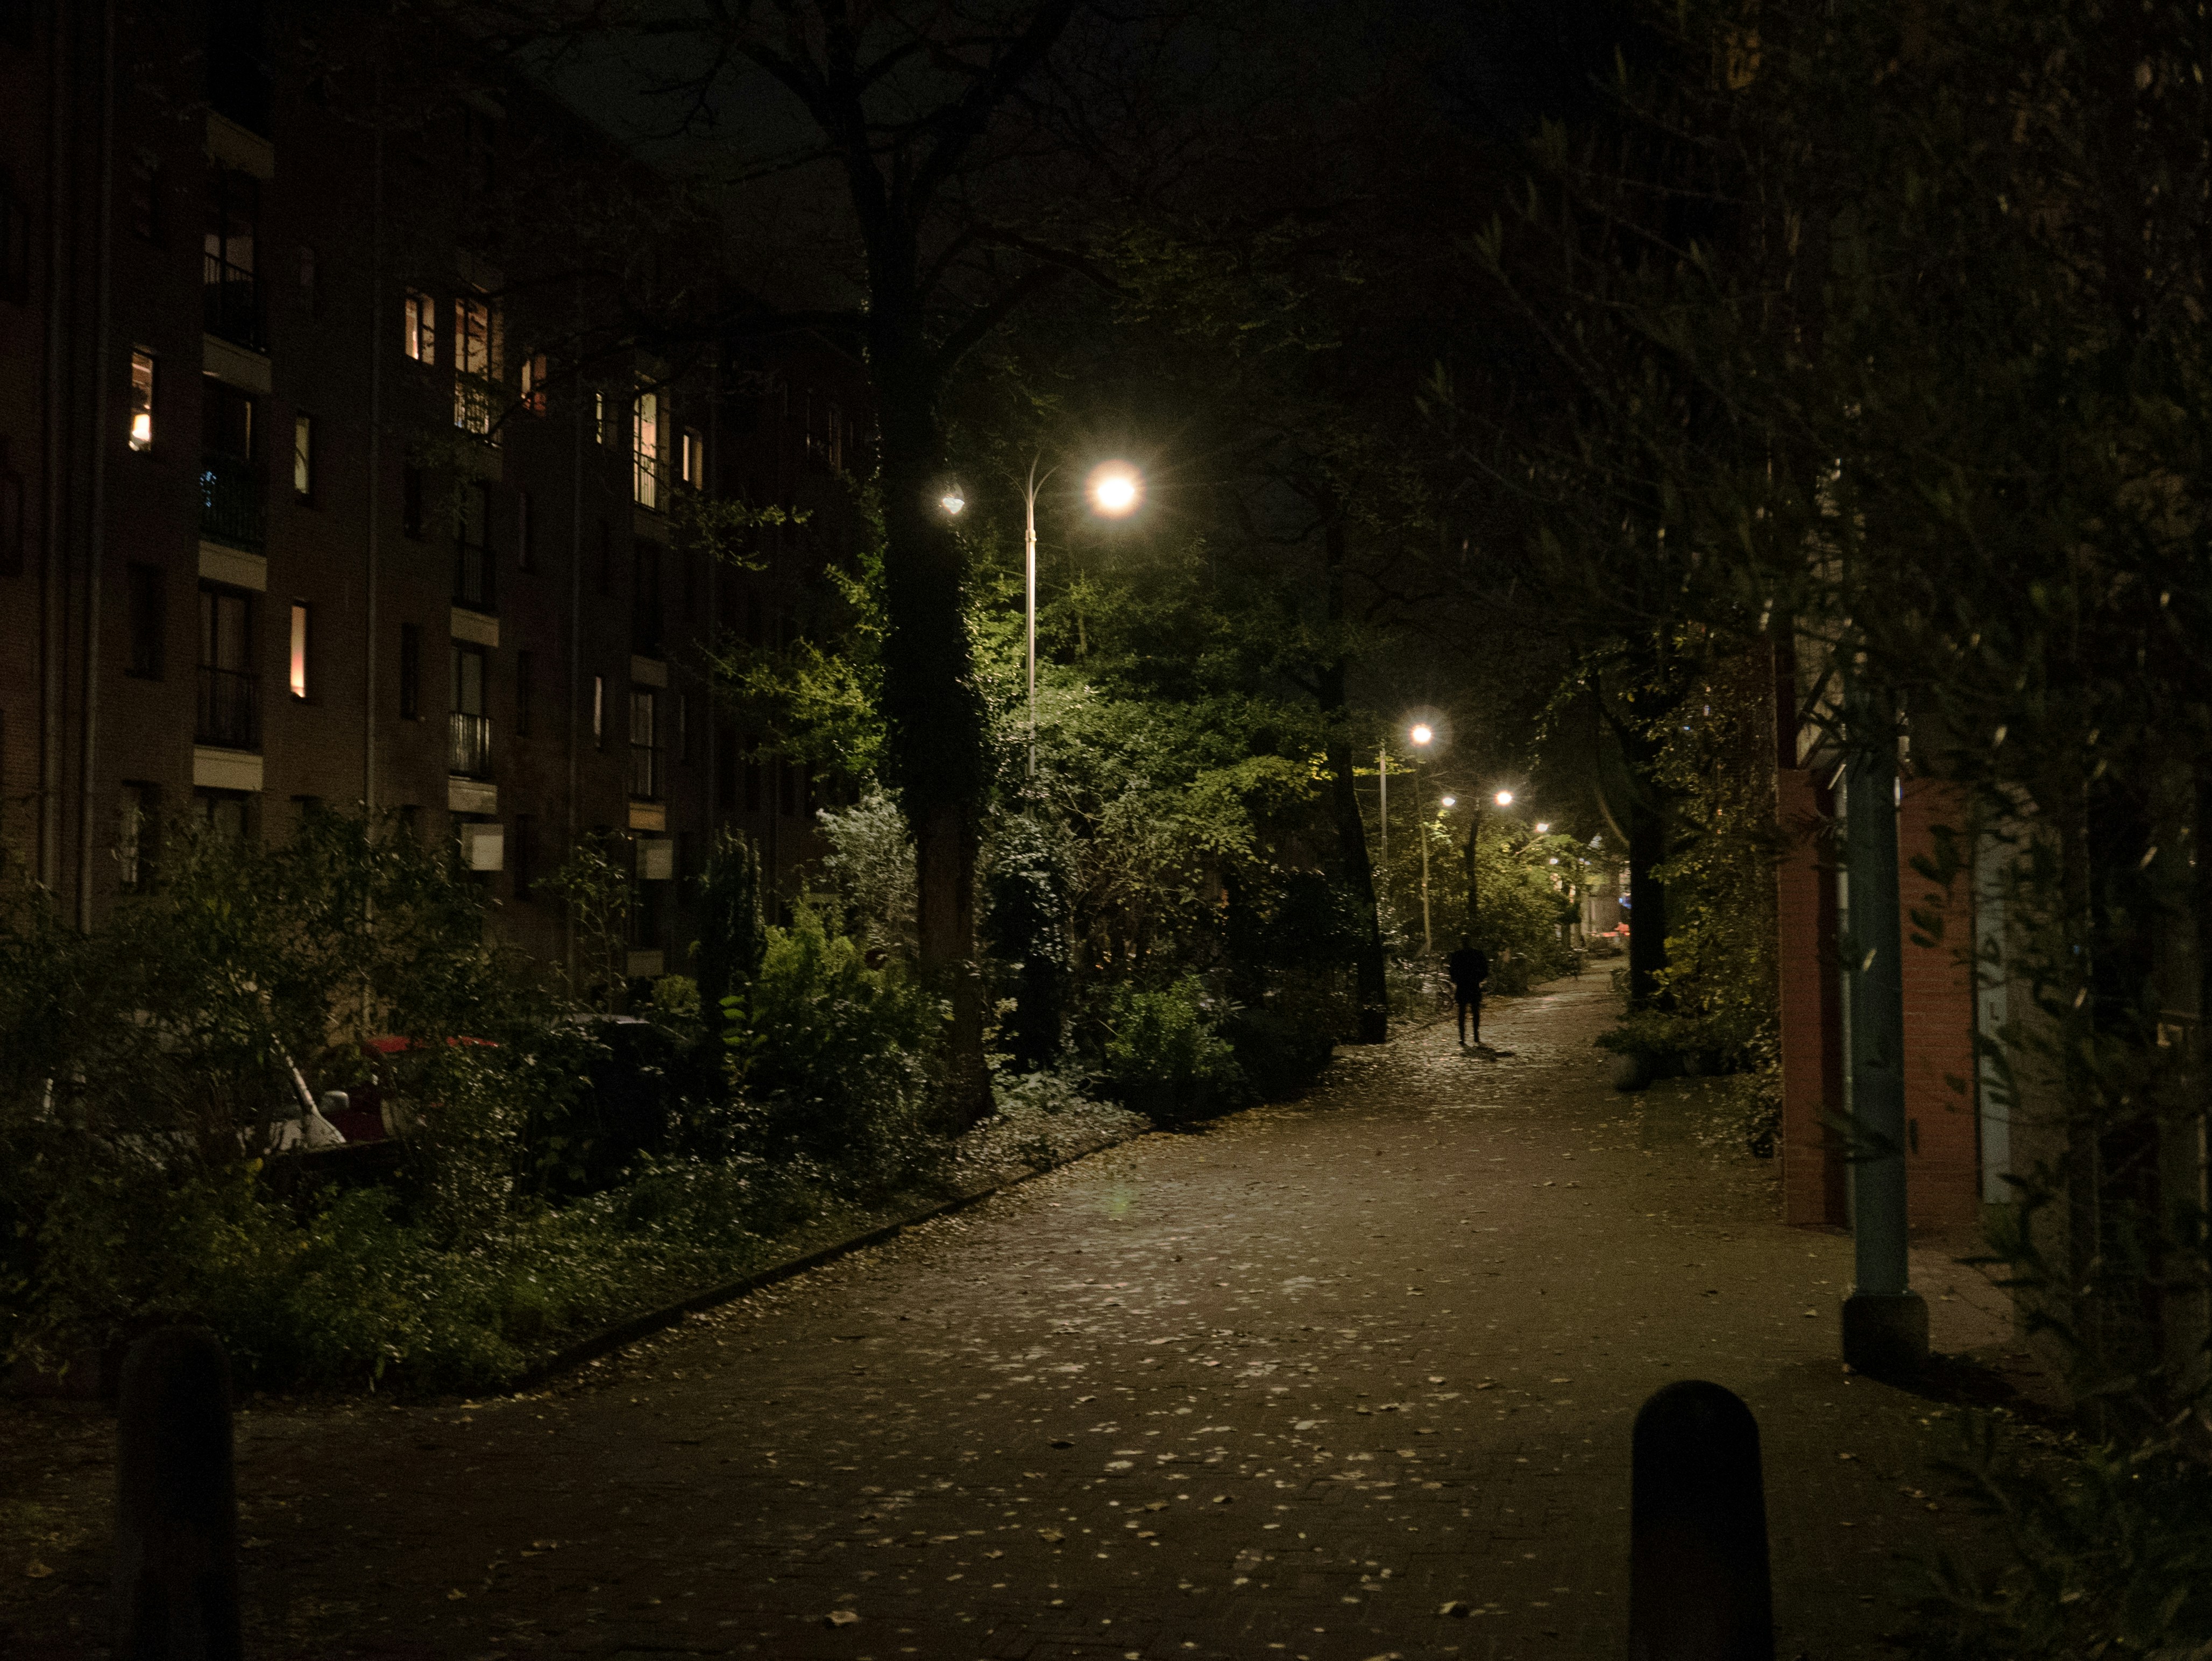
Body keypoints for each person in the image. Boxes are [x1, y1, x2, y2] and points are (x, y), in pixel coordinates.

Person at [1446, 934, 1491, 1047]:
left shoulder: (1457, 955)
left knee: (1462, 1013)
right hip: (1473, 985)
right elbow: (1485, 969)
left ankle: (1463, 1037)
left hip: (1463, 986)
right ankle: (1475, 1035)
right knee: (1475, 1012)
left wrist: (1457, 980)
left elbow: (1452, 971)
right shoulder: (1477, 954)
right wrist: (1478, 979)